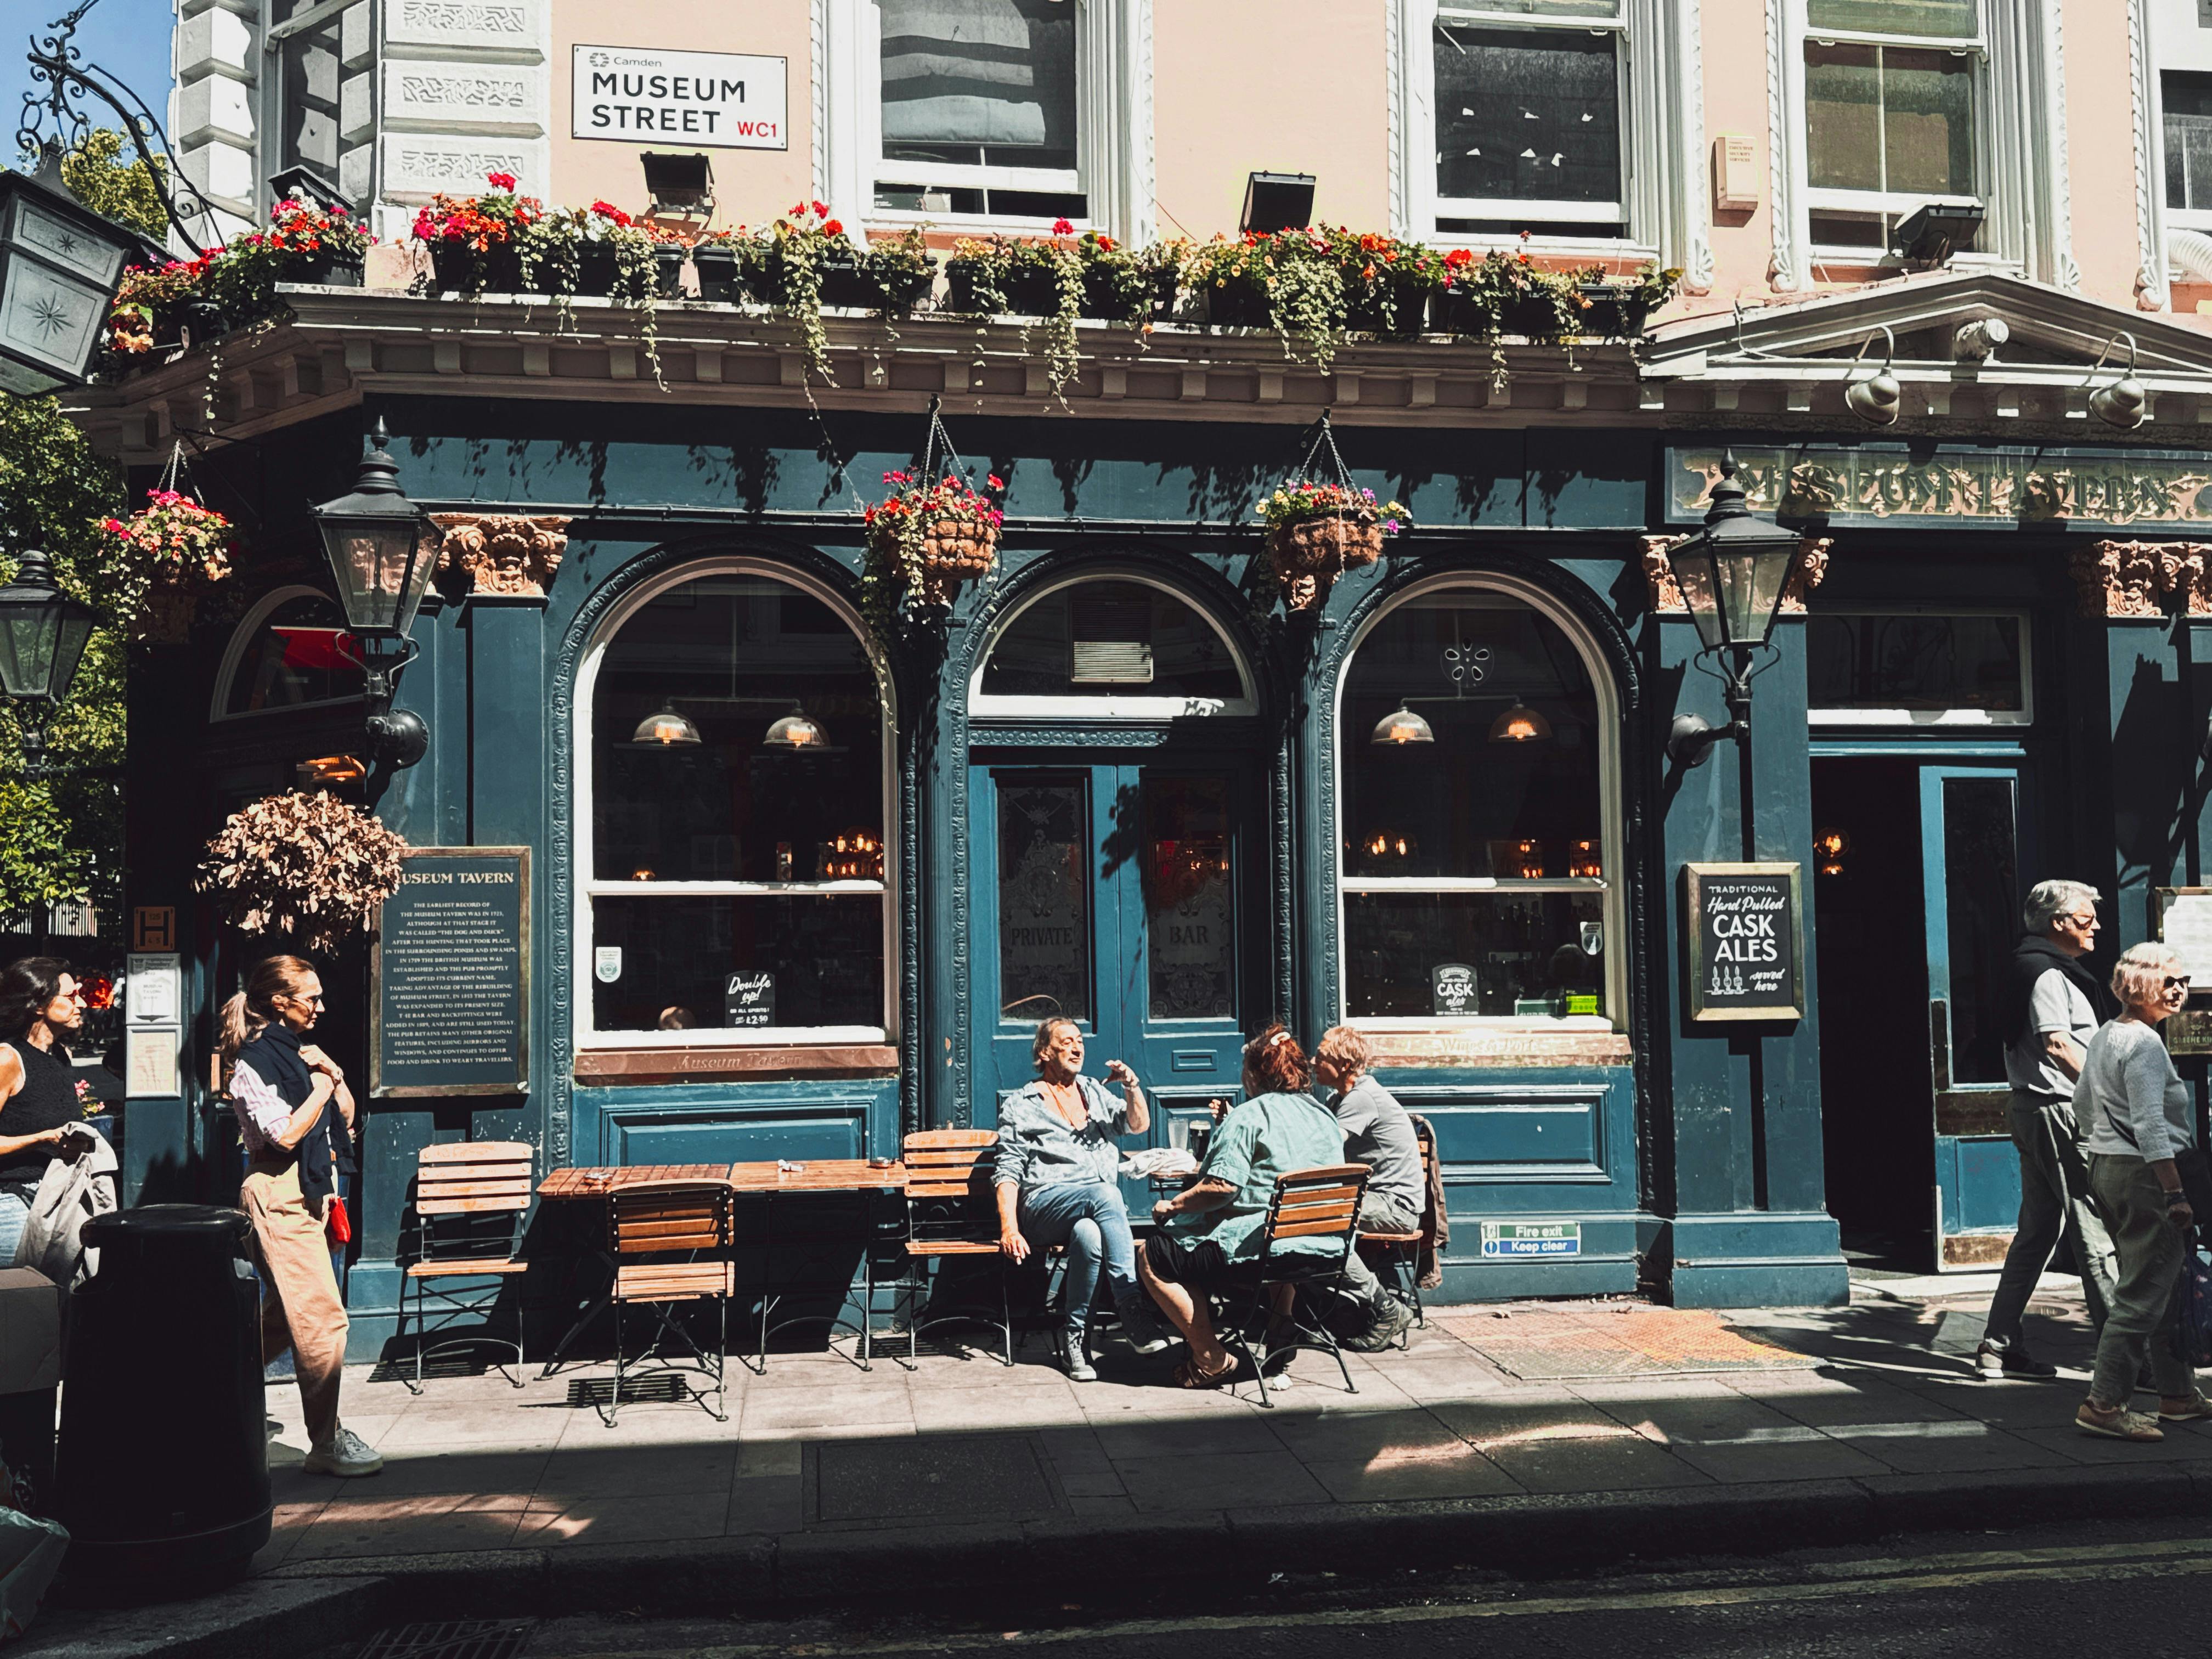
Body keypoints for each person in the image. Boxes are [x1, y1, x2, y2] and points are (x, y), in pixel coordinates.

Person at [220, 956, 381, 1477]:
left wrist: (332, 1075)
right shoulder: (252, 1064)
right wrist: (319, 1086)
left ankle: (207, 1392)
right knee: (321, 1320)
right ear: (278, 1002)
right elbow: (284, 1134)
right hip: (278, 1191)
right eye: (310, 998)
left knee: (281, 1321)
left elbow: (346, 1120)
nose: (320, 1006)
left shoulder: (302, 1054)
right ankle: (328, 1443)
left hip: (312, 1192)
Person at [1136, 1025, 1348, 1389]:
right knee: (1280, 1233)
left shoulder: (1249, 1116)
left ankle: (1210, 1357)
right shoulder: (1323, 1116)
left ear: (1255, 1073)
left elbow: (1221, 1187)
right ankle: (1281, 1330)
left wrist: (1174, 1205)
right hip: (1324, 1245)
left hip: (1264, 1251)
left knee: (1152, 1255)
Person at [1976, 879, 2121, 1380]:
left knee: (2038, 1232)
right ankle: (2123, 1360)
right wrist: (2108, 1089)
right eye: (2086, 919)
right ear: (2058, 923)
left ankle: (1998, 1345)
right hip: (2059, 1110)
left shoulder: (2038, 967)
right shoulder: (2045, 975)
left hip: (2039, 1109)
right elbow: (2058, 1044)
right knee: (2093, 1232)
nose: (2096, 926)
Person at [2073, 943, 2210, 1442]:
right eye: (2168, 982)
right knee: (2142, 1294)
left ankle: (2178, 1395)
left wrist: (2103, 1148)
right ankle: (2104, 1404)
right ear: (2137, 987)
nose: (2180, 991)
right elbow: (2153, 1127)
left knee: (2162, 1285)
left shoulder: (2108, 1035)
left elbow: (2083, 1103)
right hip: (2148, 1175)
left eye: (2183, 981)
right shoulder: (2147, 1045)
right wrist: (2175, 1193)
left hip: (2109, 1168)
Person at [995, 1019, 1174, 1380]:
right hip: (1043, 1204)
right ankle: (1130, 1305)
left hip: (1092, 1208)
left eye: (1080, 1041)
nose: (1078, 1048)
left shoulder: (1092, 1092)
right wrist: (1009, 1228)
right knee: (1107, 1194)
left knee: (1089, 1234)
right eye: (1067, 1042)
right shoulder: (1023, 1103)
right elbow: (1008, 1171)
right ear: (1046, 1052)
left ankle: (1075, 1340)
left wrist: (1132, 1086)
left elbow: (1136, 1125)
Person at [1312, 1026, 1419, 1352]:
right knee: (1312, 1219)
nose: (1313, 1060)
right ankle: (1331, 1313)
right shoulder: (1340, 1097)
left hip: (1395, 1206)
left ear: (1344, 1065)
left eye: (1322, 1055)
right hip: (1376, 1199)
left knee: (1320, 1221)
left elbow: (1323, 1151)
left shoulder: (1361, 1098)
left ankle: (1386, 1308)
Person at [0, 960, 88, 1266]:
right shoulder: (7, 1059)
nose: (82, 1003)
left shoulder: (61, 1056)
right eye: (71, 996)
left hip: (56, 1198)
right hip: (12, 1205)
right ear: (38, 1005)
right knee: (24, 1304)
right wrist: (41, 1139)